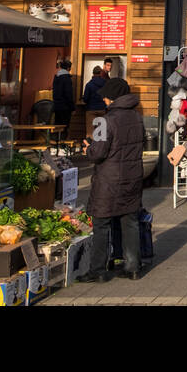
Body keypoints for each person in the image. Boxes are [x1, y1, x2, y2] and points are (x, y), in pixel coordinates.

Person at [80, 78, 144, 282]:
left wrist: (87, 149)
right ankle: (132, 267)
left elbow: (98, 153)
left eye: (106, 97)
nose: (105, 100)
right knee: (130, 220)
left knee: (101, 223)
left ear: (112, 97)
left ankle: (97, 270)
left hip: (109, 179)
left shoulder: (103, 120)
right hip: (132, 176)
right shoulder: (137, 117)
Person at [52, 59, 75, 139]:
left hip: (57, 106)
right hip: (65, 107)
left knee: (57, 126)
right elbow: (68, 94)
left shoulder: (56, 78)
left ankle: (55, 144)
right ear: (68, 68)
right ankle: (62, 145)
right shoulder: (67, 78)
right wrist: (72, 107)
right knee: (64, 127)